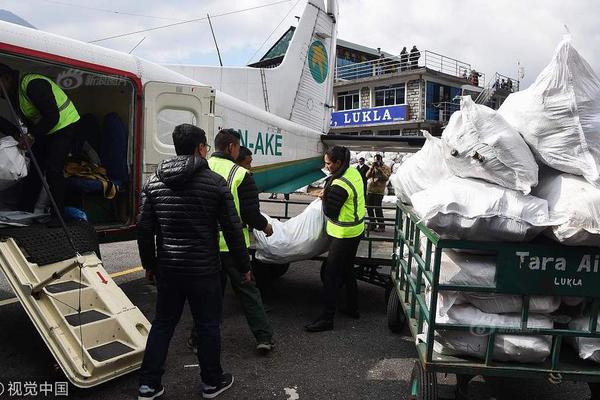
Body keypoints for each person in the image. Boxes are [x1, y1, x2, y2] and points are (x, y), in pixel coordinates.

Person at [137, 124, 249, 399]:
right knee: (208, 325)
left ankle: (148, 385)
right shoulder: (214, 183)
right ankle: (212, 382)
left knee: (163, 323)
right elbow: (233, 229)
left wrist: (149, 265)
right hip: (204, 270)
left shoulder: (154, 181)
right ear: (201, 149)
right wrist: (244, 266)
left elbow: (144, 229)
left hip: (169, 268)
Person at [206, 128, 275, 354]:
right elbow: (250, 214)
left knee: (209, 295)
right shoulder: (241, 174)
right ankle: (263, 337)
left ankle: (199, 339)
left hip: (206, 245)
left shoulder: (201, 168)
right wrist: (266, 227)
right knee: (248, 292)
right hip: (233, 245)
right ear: (231, 147)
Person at [0, 64, 80, 224]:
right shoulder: (15, 93)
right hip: (46, 128)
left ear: (6, 79)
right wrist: (19, 135)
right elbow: (30, 120)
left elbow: (52, 116)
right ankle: (25, 209)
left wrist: (31, 136)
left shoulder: (33, 84)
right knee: (36, 167)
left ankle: (58, 217)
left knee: (53, 170)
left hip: (64, 125)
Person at [305, 146, 365, 332]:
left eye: (328, 163)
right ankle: (353, 307)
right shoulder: (353, 172)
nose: (326, 166)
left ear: (338, 163)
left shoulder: (340, 185)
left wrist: (324, 197)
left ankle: (327, 318)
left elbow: (330, 211)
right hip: (356, 230)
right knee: (347, 269)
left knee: (331, 275)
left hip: (343, 235)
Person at [366, 154, 391, 232]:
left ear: (381, 160)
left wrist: (380, 170)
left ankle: (381, 226)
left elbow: (386, 178)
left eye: (378, 160)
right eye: (375, 160)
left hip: (379, 191)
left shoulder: (386, 168)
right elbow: (367, 176)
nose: (376, 162)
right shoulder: (372, 166)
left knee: (377, 209)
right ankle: (372, 224)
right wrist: (372, 168)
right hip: (370, 190)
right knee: (369, 208)